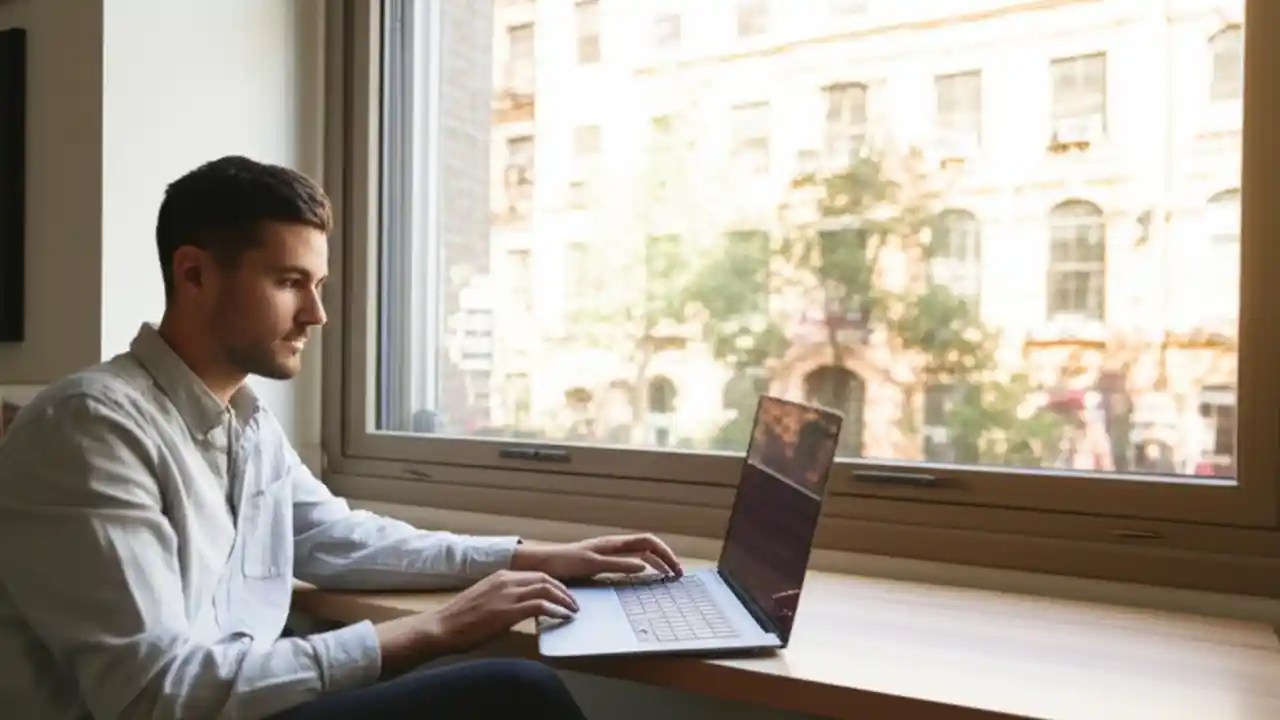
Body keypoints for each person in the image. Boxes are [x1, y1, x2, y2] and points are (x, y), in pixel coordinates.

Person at [0, 156, 684, 719]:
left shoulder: (245, 421)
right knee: (516, 693)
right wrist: (434, 630)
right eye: (290, 282)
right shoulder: (90, 427)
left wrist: (532, 556)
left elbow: (340, 538)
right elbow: (155, 694)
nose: (317, 313)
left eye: (318, 284)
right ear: (194, 273)